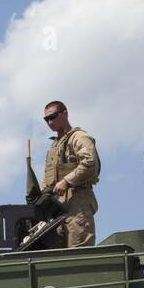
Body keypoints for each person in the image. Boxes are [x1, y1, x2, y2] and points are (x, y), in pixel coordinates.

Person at [40, 101, 100, 247]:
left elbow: (90, 163)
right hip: (57, 209)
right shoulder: (54, 146)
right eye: (46, 119)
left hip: (77, 204)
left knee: (78, 253)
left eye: (53, 116)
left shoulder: (79, 137)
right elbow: (47, 179)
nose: (50, 121)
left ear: (65, 114)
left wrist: (67, 181)